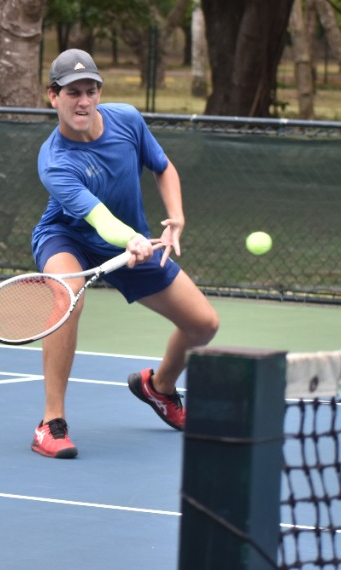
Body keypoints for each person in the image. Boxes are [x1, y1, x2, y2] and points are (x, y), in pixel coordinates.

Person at [29, 49, 219, 459]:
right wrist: (131, 237)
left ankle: (159, 387)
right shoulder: (55, 161)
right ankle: (51, 423)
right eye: (72, 92)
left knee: (203, 325)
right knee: (67, 297)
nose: (83, 101)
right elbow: (98, 218)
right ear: (52, 96)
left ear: (100, 92)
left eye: (91, 90)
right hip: (69, 238)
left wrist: (176, 217)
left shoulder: (128, 120)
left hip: (133, 243)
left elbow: (162, 167)